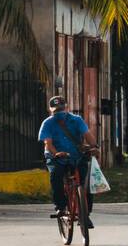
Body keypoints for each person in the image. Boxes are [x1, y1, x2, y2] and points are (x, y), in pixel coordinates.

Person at [39, 96, 96, 227]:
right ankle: (60, 206)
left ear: (66, 108)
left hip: (76, 155)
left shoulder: (77, 120)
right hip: (56, 157)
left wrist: (94, 147)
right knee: (56, 175)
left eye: (61, 109)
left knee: (86, 182)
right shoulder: (47, 123)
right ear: (51, 110)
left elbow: (88, 136)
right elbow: (48, 144)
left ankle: (85, 214)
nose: (59, 113)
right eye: (56, 111)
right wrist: (56, 153)